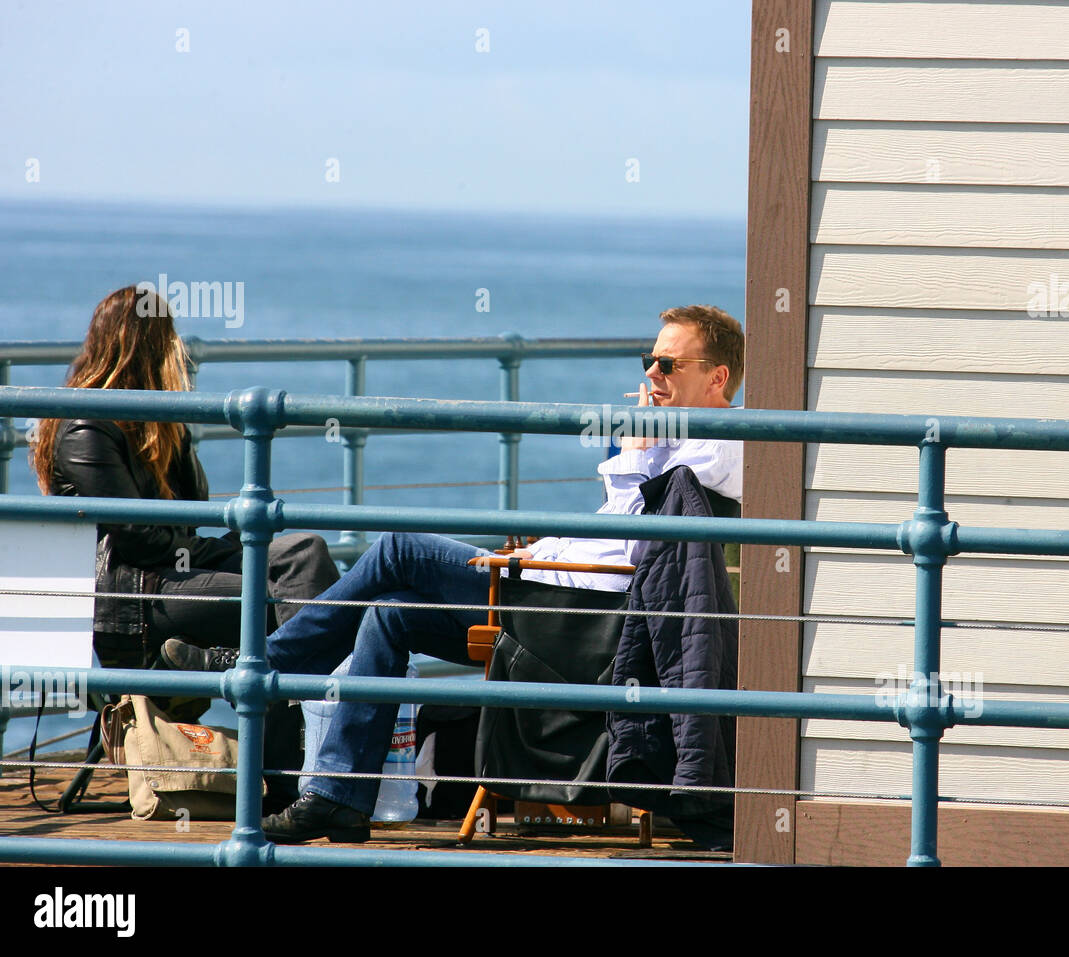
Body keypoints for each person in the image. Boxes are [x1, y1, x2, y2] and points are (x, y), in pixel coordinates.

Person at [162, 304, 746, 843]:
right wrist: (536, 552)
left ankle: (263, 666)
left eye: (668, 363)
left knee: (398, 548)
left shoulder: (716, 447)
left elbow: (633, 554)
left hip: (579, 620)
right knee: (389, 612)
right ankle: (336, 796)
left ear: (717, 378)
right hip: (552, 588)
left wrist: (639, 453)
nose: (652, 374)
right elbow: (615, 537)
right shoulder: (682, 439)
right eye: (647, 360)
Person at [31, 285, 341, 806]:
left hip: (173, 572)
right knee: (268, 605)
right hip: (133, 600)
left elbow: (191, 512)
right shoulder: (86, 427)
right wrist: (211, 546)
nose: (185, 353)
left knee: (304, 552)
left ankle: (281, 707)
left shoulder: (153, 419)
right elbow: (140, 538)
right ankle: (304, 772)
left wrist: (176, 418)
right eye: (173, 343)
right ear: (149, 347)